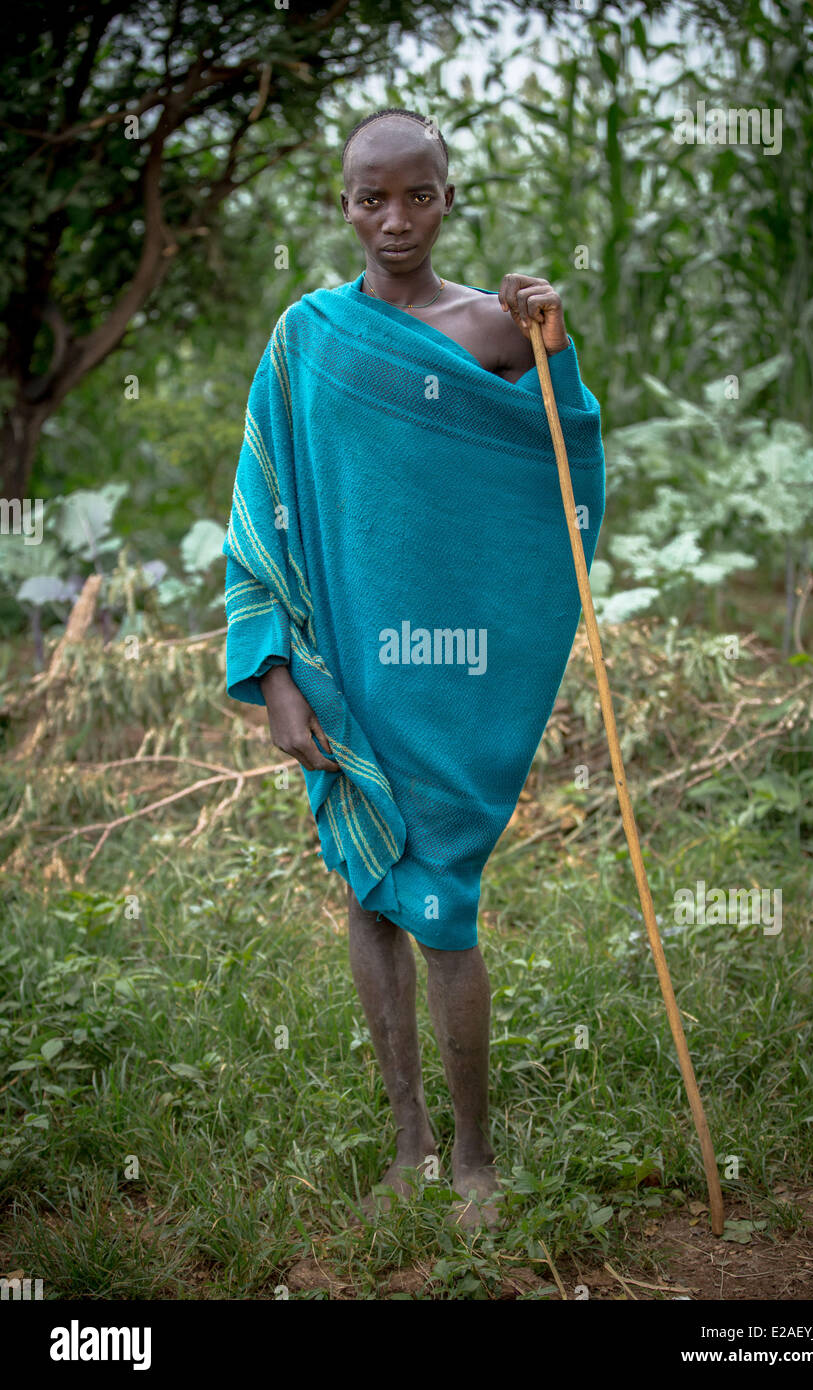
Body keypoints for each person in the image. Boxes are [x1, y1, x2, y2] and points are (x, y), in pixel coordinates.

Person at [222, 107, 605, 1228]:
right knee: (368, 893)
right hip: (345, 672)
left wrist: (554, 339)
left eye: (417, 195)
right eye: (369, 197)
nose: (394, 220)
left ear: (448, 198)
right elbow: (256, 513)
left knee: (446, 905)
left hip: (453, 676)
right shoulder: (304, 341)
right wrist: (277, 675)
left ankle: (477, 1159)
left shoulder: (489, 330)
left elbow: (558, 472)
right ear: (343, 205)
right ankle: (410, 1149)